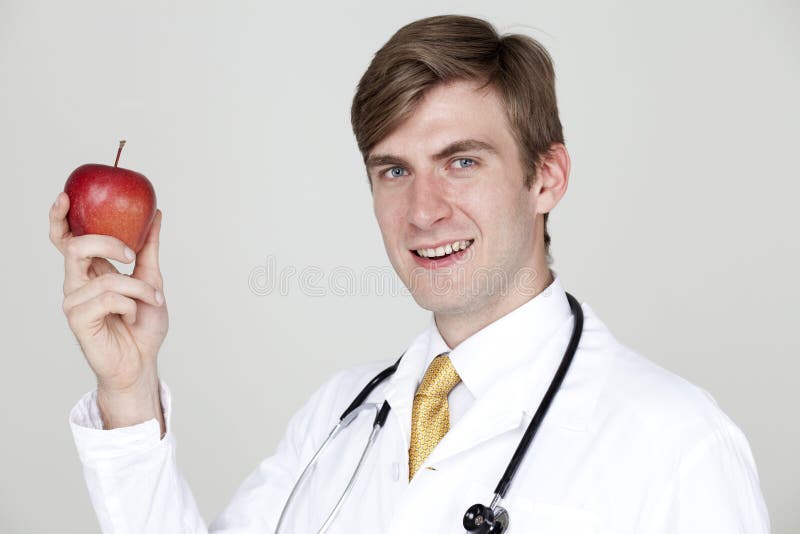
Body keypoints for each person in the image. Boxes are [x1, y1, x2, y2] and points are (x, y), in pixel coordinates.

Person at [50, 14, 770, 534]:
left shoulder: (676, 443)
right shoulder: (339, 416)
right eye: (394, 170)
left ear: (546, 178)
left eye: (462, 161)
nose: (424, 211)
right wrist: (129, 387)